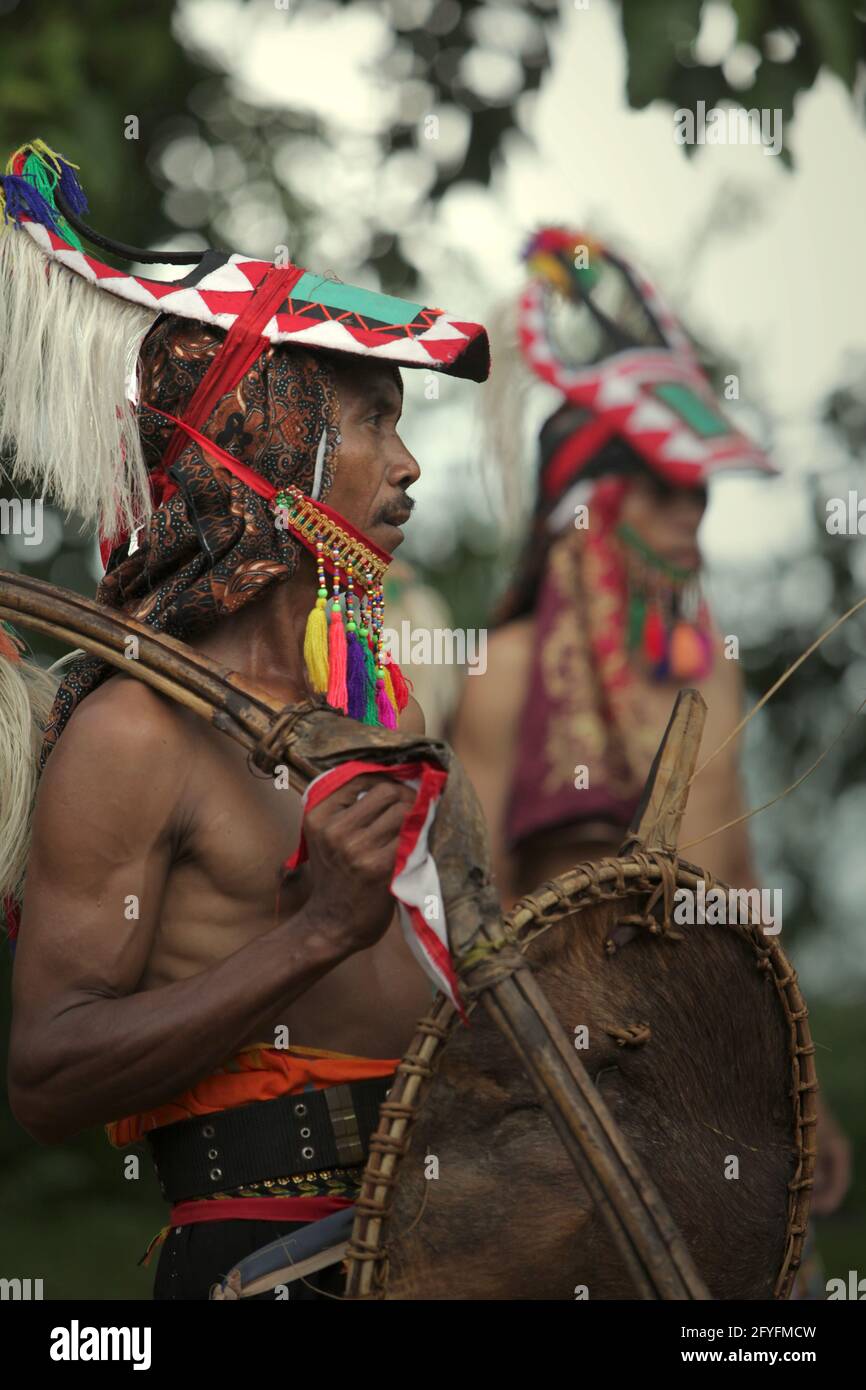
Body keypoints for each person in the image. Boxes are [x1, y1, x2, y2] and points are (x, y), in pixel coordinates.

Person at [0, 140, 489, 1299]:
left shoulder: (378, 706)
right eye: (375, 420)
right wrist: (314, 930)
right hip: (262, 1268)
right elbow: (47, 1075)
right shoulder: (136, 734)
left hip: (450, 1248)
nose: (411, 465)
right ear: (274, 451)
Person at [452, 227, 850, 1229]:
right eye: (666, 489)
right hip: (558, 1085)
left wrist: (795, 1091)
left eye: (700, 492)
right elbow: (462, 909)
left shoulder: (705, 674)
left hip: (716, 1068)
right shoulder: (501, 675)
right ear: (593, 504)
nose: (691, 516)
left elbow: (739, 892)